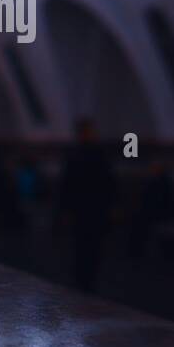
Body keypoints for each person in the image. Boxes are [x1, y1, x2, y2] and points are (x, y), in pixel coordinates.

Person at [56, 119, 117, 292]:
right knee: (89, 245)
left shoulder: (76, 155)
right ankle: (86, 279)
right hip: (92, 208)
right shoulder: (97, 154)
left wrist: (65, 209)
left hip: (84, 208)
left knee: (84, 245)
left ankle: (83, 280)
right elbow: (108, 182)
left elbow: (67, 184)